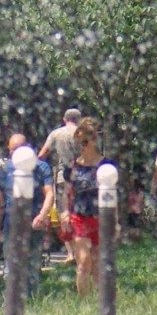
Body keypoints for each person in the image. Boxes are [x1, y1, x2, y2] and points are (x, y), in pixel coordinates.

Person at [0, 134, 52, 296]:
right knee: (10, 267)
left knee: (32, 267)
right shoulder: (4, 170)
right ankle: (11, 301)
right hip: (11, 225)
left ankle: (32, 301)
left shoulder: (41, 168)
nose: (15, 154)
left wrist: (42, 215)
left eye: (18, 150)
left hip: (34, 224)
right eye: (12, 151)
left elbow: (49, 194)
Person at [64, 119, 109, 296]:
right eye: (78, 143)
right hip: (79, 217)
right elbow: (66, 192)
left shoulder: (107, 166)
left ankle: (99, 301)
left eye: (84, 142)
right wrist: (64, 211)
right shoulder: (73, 166)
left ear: (94, 141)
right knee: (83, 261)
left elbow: (112, 196)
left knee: (98, 263)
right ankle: (83, 300)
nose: (81, 147)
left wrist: (115, 221)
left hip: (101, 218)